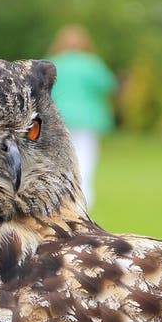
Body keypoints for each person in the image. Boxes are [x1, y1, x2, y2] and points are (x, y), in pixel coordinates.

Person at [48, 25, 117, 208]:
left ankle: (61, 197)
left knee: (60, 158)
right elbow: (109, 85)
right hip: (88, 118)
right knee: (85, 157)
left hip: (58, 117)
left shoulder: (53, 64)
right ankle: (84, 197)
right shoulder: (91, 64)